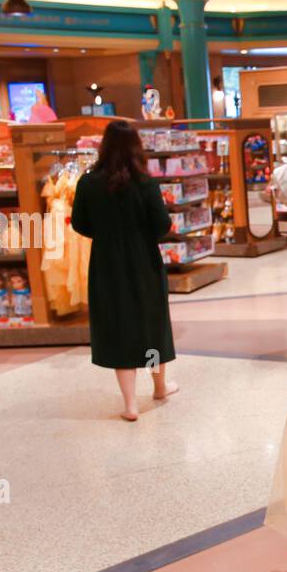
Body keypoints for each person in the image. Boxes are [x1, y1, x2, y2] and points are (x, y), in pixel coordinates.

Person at [71, 120, 178, 421]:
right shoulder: (145, 182)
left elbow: (79, 223)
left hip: (106, 263)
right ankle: (159, 387)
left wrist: (106, 234)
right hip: (143, 260)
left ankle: (130, 404)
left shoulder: (88, 182)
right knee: (152, 322)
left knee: (119, 326)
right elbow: (162, 225)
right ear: (136, 146)